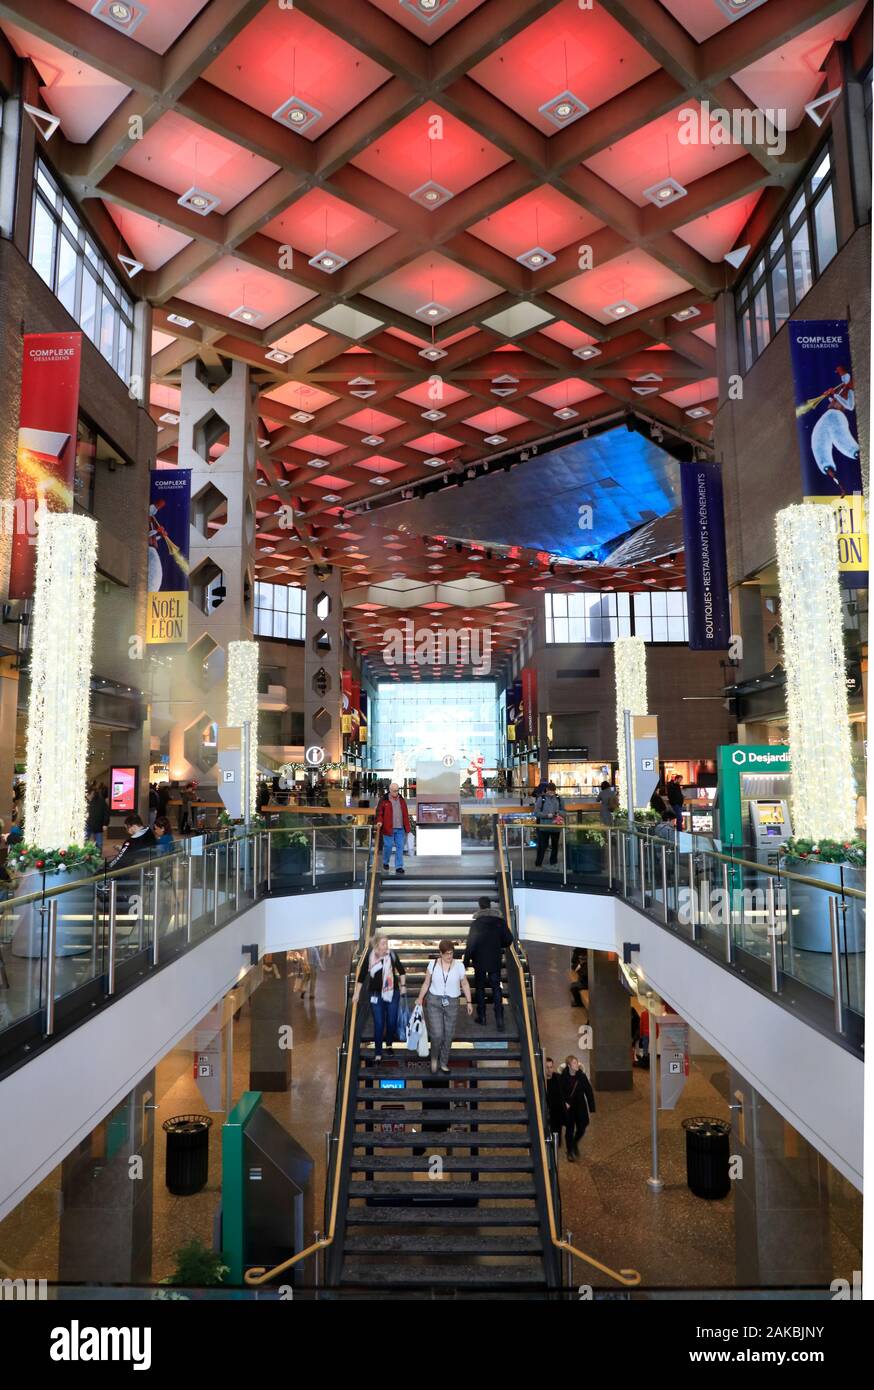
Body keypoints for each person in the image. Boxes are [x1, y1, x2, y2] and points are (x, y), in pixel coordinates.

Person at [416, 938, 473, 1074]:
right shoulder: (433, 964)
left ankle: (443, 1062)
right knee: (437, 1035)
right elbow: (426, 983)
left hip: (452, 1002)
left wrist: (469, 1002)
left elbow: (464, 984)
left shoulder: (459, 966)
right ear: (440, 953)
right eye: (446, 953)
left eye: (451, 953)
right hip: (434, 1001)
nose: (449, 956)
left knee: (448, 1035)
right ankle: (434, 1058)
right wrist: (420, 998)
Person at [353, 935, 406, 1062]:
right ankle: (378, 1051)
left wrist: (403, 986)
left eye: (387, 943)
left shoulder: (392, 955)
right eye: (383, 944)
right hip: (375, 995)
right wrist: (356, 993)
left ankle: (388, 1043)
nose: (386, 946)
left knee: (392, 1021)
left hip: (392, 993)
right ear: (376, 945)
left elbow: (402, 971)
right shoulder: (370, 957)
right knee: (379, 1023)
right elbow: (361, 977)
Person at [463, 896, 513, 1030]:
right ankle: (500, 1020)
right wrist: (498, 944)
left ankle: (482, 1017)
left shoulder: (476, 923)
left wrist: (466, 962)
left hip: (479, 960)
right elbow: (509, 939)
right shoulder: (499, 922)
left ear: (480, 906)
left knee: (480, 988)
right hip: (494, 959)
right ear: (490, 905)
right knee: (496, 988)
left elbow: (471, 944)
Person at [559, 1054, 596, 1162]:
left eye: (577, 1062)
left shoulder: (582, 1076)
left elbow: (588, 1091)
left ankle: (575, 1142)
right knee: (569, 1130)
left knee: (582, 1127)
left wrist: (591, 1107)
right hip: (569, 1108)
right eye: (574, 1063)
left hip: (580, 1107)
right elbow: (560, 1093)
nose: (577, 1065)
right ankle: (570, 1151)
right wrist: (564, 1103)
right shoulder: (563, 1078)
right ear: (569, 1066)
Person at [375, 781, 411, 874]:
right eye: (394, 791)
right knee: (388, 846)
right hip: (388, 828)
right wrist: (379, 821)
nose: (396, 792)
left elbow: (405, 814)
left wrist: (407, 827)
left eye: (397, 790)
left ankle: (399, 866)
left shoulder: (402, 800)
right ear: (390, 790)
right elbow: (379, 812)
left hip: (400, 828)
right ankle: (385, 862)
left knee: (400, 847)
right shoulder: (384, 800)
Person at [533, 781, 565, 867]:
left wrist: (559, 813)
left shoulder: (559, 799)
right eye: (550, 791)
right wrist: (547, 815)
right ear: (547, 790)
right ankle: (538, 863)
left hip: (556, 827)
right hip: (544, 827)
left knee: (555, 846)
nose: (551, 793)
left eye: (553, 791)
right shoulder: (541, 799)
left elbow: (564, 811)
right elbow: (536, 813)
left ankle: (553, 862)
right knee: (542, 846)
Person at [545, 1057, 564, 1152]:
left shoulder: (558, 1078)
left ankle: (557, 1144)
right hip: (547, 1109)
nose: (549, 1070)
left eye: (551, 1067)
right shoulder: (541, 1081)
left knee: (557, 1128)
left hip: (557, 1109)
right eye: (547, 1067)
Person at [85, 783, 110, 853]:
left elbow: (106, 812)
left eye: (89, 795)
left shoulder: (100, 800)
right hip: (86, 824)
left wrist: (105, 823)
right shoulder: (84, 799)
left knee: (99, 844)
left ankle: (98, 857)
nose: (88, 797)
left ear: (92, 793)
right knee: (83, 841)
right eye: (87, 796)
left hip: (98, 824)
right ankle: (83, 857)